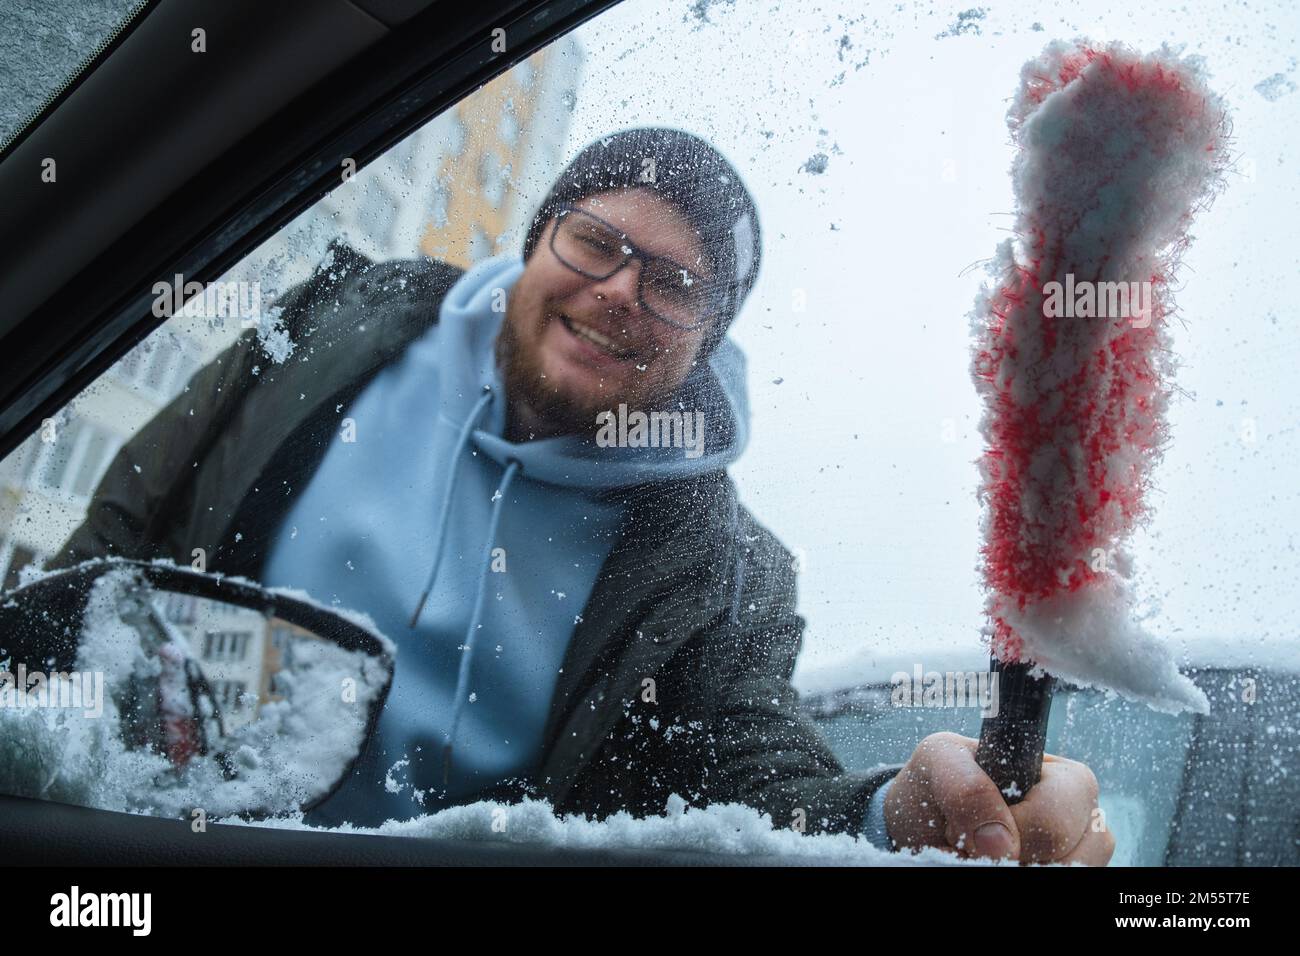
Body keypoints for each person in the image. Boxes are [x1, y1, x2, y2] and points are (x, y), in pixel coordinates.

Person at [50, 127, 1113, 864]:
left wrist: (890, 814)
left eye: (676, 284)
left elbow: (751, 775)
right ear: (536, 242)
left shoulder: (725, 568)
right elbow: (119, 535)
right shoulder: (332, 328)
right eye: (597, 242)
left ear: (706, 342)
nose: (619, 290)